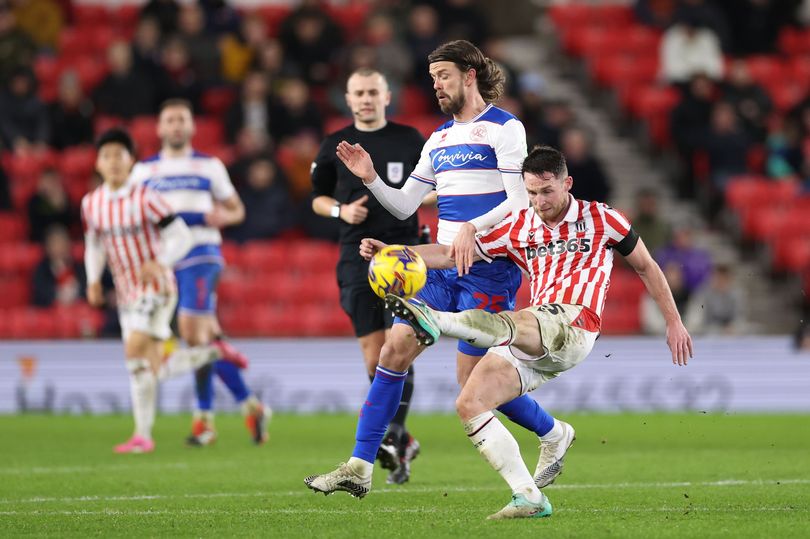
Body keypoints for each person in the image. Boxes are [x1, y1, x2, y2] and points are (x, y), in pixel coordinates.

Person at [362, 145, 693, 518]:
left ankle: (436, 321)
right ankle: (530, 494)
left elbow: (646, 266)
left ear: (567, 183)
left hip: (574, 323)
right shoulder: (518, 227)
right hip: (534, 333)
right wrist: (398, 251)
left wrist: (674, 321)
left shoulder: (604, 218)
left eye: (547, 191)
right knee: (470, 403)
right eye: (531, 192)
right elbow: (453, 255)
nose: (539, 201)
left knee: (516, 318)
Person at [305, 40, 566, 497]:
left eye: (443, 76)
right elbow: (405, 202)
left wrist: (471, 227)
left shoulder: (505, 129)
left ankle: (553, 433)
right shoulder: (439, 139)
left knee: (471, 384)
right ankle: (360, 466)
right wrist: (370, 178)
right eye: (432, 79)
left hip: (491, 270)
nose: (437, 86)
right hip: (443, 269)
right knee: (393, 350)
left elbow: (519, 201)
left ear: (470, 75)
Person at [82, 128, 246, 453]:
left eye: (120, 155)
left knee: (134, 350)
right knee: (147, 367)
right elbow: (94, 245)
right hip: (127, 294)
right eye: (107, 156)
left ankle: (144, 434)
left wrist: (160, 262)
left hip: (157, 288)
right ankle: (212, 354)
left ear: (131, 161)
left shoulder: (145, 196)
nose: (114, 161)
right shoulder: (92, 203)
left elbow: (181, 237)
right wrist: (93, 280)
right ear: (98, 163)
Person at [129, 99, 270, 446]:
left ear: (191, 128)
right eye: (170, 121)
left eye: (182, 120)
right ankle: (247, 407)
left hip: (200, 253)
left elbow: (236, 210)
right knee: (202, 339)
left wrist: (224, 217)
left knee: (193, 334)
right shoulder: (144, 172)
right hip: (163, 259)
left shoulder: (209, 166)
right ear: (160, 129)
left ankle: (205, 421)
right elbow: (131, 215)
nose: (176, 126)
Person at [310, 68, 426, 484]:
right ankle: (403, 438)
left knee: (399, 345)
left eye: (372, 92)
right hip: (354, 255)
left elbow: (435, 187)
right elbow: (317, 199)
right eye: (358, 92)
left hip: (404, 255)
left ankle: (394, 433)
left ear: (386, 95)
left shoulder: (411, 139)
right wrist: (343, 211)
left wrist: (403, 198)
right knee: (374, 357)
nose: (365, 99)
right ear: (347, 96)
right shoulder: (334, 145)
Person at [31, 224, 85, 307]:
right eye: (55, 243)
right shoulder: (41, 271)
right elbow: (41, 297)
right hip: (51, 316)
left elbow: (86, 292)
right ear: (47, 247)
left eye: (62, 242)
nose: (59, 247)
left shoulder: (79, 268)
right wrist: (58, 295)